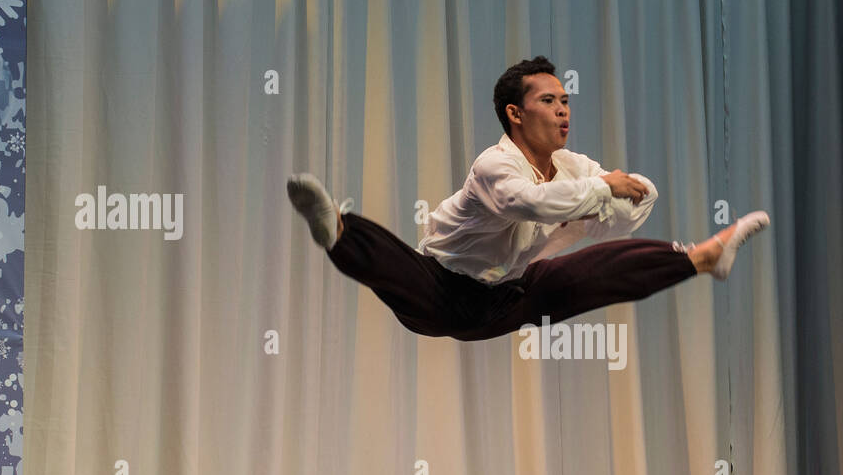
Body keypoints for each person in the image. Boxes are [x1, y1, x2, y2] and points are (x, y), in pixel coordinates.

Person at [287, 56, 769, 341]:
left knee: (598, 268)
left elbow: (633, 206)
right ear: (515, 114)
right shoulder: (494, 165)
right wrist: (603, 190)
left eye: (565, 102)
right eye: (548, 102)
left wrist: (608, 199)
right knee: (399, 267)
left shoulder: (574, 167)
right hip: (442, 290)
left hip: (509, 297)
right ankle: (340, 230)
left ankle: (704, 257)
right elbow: (528, 204)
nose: (563, 111)